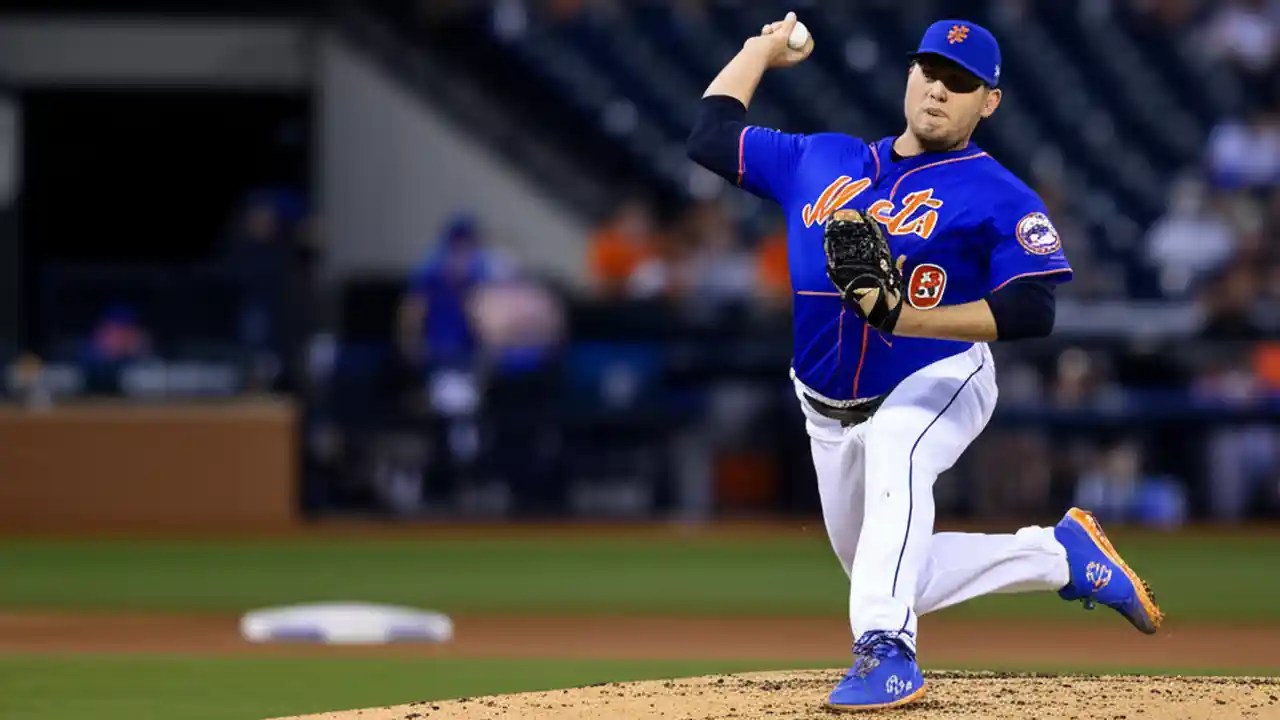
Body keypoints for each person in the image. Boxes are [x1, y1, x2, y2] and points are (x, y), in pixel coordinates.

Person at [687, 14, 1163, 711]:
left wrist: (906, 318)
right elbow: (708, 136)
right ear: (909, 75)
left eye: (961, 83)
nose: (939, 90)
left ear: (988, 103)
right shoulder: (819, 158)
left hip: (938, 374)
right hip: (824, 407)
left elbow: (1034, 310)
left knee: (898, 452)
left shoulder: (1001, 195)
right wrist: (758, 49)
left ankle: (887, 651)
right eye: (931, 72)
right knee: (885, 565)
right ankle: (1061, 557)